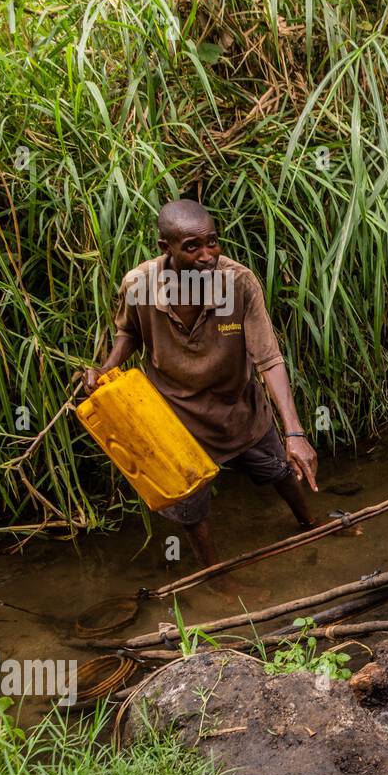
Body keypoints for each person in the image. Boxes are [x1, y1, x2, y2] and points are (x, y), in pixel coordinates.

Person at [85, 199, 319, 567]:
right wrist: (105, 368)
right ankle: (218, 578)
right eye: (192, 246)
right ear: (166, 248)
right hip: (175, 419)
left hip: (237, 410)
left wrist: (295, 432)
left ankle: (312, 525)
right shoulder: (140, 284)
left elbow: (268, 359)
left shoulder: (238, 283)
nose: (207, 255)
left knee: (281, 471)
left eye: (212, 242)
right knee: (192, 511)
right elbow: (128, 331)